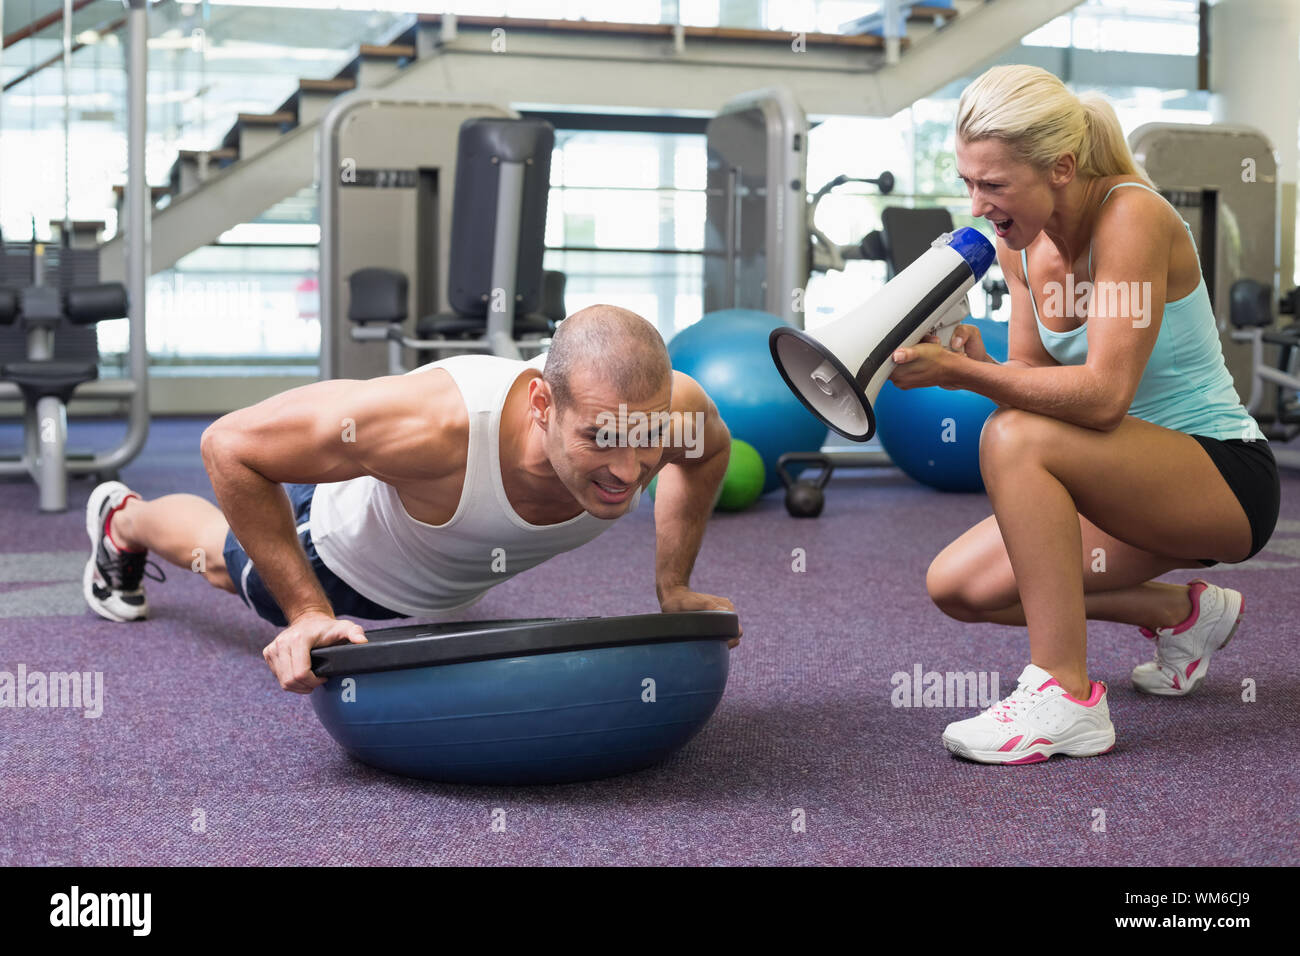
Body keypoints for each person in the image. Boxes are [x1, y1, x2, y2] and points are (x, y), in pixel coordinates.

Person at [891, 65, 1280, 765]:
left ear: (1061, 167)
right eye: (969, 183)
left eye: (994, 184)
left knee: (1009, 435)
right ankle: (1183, 615)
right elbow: (1035, 386)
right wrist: (981, 365)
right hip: (1119, 477)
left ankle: (1066, 699)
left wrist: (970, 377)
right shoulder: (1021, 247)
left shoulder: (1132, 215)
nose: (978, 205)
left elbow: (1102, 400)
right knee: (958, 587)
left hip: (1218, 476)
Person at [83, 305, 739, 693]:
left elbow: (709, 452)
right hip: (335, 552)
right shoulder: (435, 426)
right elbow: (229, 446)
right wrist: (307, 611)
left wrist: (673, 585)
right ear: (542, 404)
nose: (629, 471)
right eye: (599, 437)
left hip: (440, 571)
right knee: (222, 560)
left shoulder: (671, 412)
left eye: (646, 434)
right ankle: (124, 521)